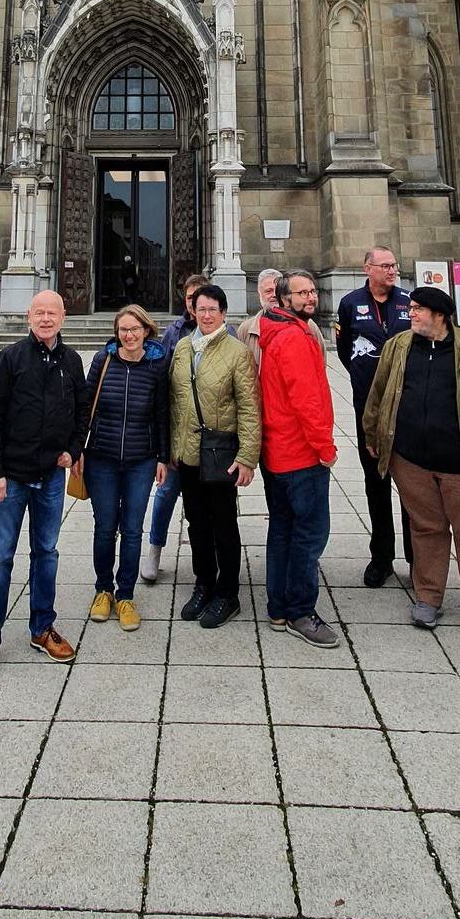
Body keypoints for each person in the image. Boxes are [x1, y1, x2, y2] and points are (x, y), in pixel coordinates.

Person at [362, 285, 460, 647]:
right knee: (425, 529)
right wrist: (373, 434)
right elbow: (379, 392)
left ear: (440, 315)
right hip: (412, 460)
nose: (411, 314)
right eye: (411, 308)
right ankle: (428, 596)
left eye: (418, 309)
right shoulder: (398, 346)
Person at [0, 290, 84, 684]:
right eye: (40, 312)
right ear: (28, 316)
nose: (46, 319)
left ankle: (41, 627)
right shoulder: (10, 358)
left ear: (63, 316)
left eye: (53, 312)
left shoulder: (71, 361)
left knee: (46, 552)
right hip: (13, 478)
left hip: (51, 476)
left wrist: (72, 450)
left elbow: (81, 414)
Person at [167, 282, 261, 628]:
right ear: (192, 312)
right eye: (200, 309)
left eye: (212, 309)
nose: (206, 315)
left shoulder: (237, 352)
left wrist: (248, 456)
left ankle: (228, 593)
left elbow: (250, 408)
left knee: (223, 523)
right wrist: (171, 449)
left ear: (223, 313)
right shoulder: (181, 349)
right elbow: (174, 402)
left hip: (221, 452)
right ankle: (204, 582)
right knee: (196, 522)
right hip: (188, 454)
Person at [258, 269, 339, 648]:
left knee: (283, 530)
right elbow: (307, 401)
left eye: (312, 292)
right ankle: (301, 610)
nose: (311, 298)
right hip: (300, 455)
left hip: (278, 454)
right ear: (282, 299)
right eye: (302, 293)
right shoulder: (293, 337)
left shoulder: (278, 332)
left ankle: (278, 606)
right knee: (309, 535)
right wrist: (325, 449)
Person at [79, 303, 168, 632]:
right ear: (116, 334)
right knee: (104, 528)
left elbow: (163, 413)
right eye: (123, 330)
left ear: (146, 330)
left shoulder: (158, 366)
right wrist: (78, 450)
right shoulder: (103, 361)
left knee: (132, 530)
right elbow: (85, 406)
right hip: (101, 457)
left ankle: (126, 595)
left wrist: (163, 457)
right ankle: (103, 590)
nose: (129, 335)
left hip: (141, 460)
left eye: (135, 329)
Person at [336, 247, 412, 586]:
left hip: (406, 402)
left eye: (394, 265)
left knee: (412, 484)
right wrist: (361, 375)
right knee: (375, 481)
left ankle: (417, 557)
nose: (392, 270)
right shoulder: (351, 303)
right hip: (368, 404)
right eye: (385, 266)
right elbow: (344, 349)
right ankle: (381, 556)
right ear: (368, 268)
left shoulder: (409, 301)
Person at [140, 270, 208, 583]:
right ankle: (154, 549)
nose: (195, 305)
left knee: (208, 499)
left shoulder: (227, 333)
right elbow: (160, 382)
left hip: (210, 435)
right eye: (190, 299)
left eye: (200, 298)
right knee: (166, 493)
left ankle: (208, 556)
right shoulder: (173, 333)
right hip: (178, 430)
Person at [238, 265, 326, 369]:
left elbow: (320, 364)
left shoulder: (308, 326)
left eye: (277, 290)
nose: (274, 295)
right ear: (259, 294)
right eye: (268, 291)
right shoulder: (246, 329)